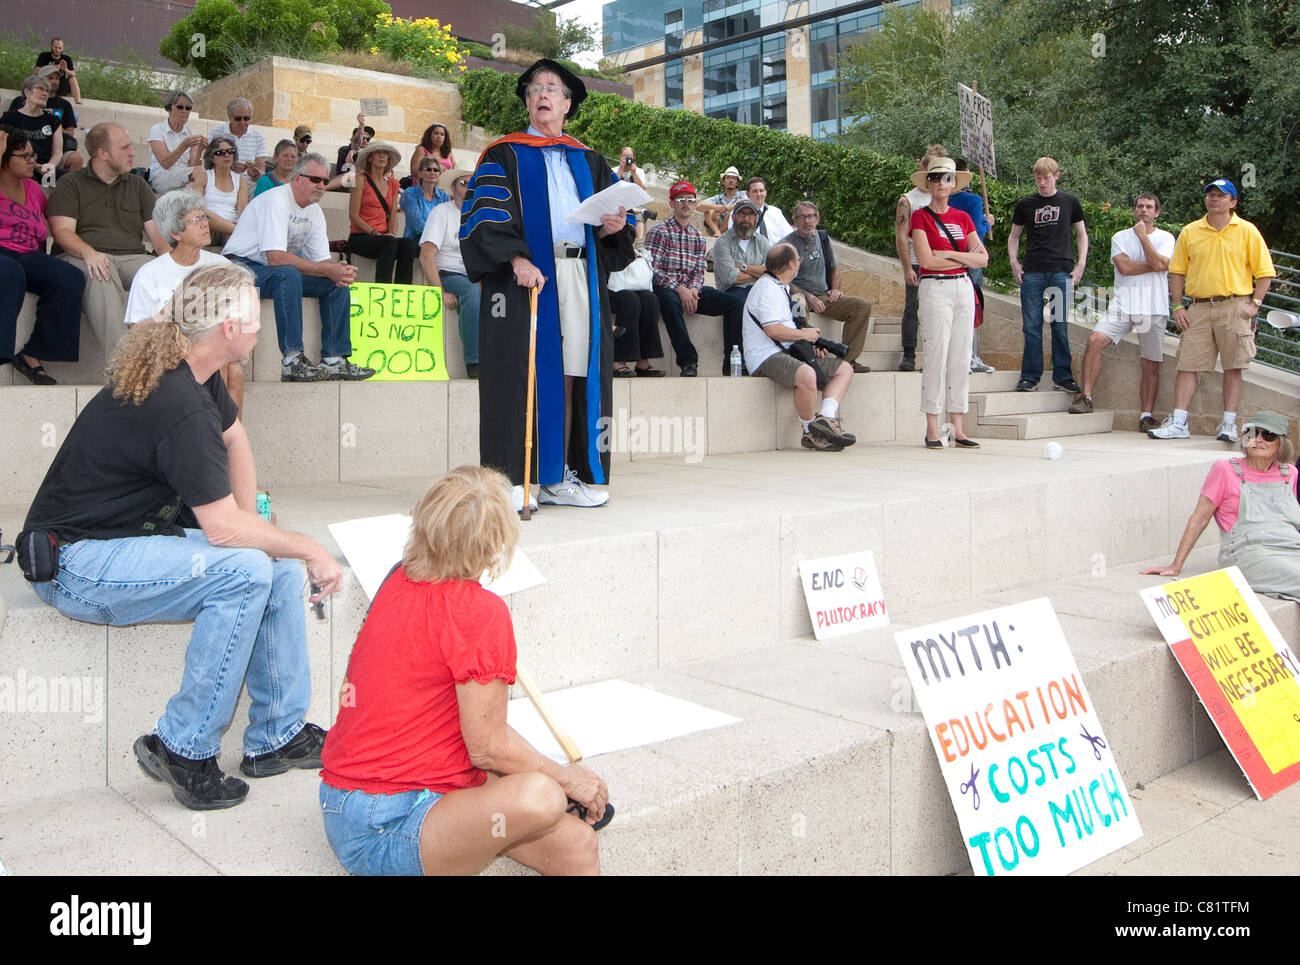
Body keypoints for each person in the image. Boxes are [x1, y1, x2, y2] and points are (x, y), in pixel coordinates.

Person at [19, 265, 341, 810]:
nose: (261, 322)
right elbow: (220, 532)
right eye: (252, 311)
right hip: (78, 564)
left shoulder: (198, 371)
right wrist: (308, 545)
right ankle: (183, 747)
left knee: (275, 565)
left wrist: (255, 522)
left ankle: (275, 738)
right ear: (229, 329)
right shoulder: (179, 404)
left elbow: (235, 437)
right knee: (247, 568)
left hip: (126, 546)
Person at [319, 466, 608, 876]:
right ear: (495, 545)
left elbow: (484, 734)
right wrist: (568, 779)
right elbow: (488, 747)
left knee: (577, 846)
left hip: (372, 797)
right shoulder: (478, 611)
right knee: (541, 797)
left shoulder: (397, 579)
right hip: (382, 821)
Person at [459, 59, 635, 512]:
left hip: (580, 274)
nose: (542, 94)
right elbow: (484, 216)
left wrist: (615, 226)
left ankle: (557, 475)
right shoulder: (503, 155)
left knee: (575, 371)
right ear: (527, 101)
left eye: (552, 88)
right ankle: (511, 480)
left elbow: (616, 227)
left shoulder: (589, 160)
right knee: (520, 374)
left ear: (567, 103)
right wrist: (515, 257)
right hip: (528, 279)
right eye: (535, 88)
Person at [222, 153, 373, 382]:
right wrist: (327, 269)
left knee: (336, 282)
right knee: (288, 274)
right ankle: (292, 360)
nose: (321, 186)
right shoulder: (276, 200)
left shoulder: (314, 211)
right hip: (240, 268)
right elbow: (275, 257)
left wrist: (337, 270)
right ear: (296, 179)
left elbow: (322, 262)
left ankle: (334, 360)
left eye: (325, 181)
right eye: (315, 179)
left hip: (272, 270)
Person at [1148, 179, 1276, 442]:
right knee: (1187, 365)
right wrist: (1177, 305)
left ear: (1233, 202)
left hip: (1235, 305)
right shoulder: (1191, 231)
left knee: (1233, 366)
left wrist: (1255, 304)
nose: (1214, 199)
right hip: (1199, 307)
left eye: (1221, 195)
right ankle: (1180, 422)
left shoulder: (1247, 231)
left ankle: (1228, 424)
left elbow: (1265, 272)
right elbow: (1177, 271)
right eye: (1210, 195)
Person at [1142, 412, 1300, 601]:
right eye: (1252, 433)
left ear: (1281, 443)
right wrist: (1176, 565)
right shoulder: (1225, 469)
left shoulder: (1289, 472)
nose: (1257, 440)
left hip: (1291, 547)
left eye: (1268, 435)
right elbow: (1199, 519)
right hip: (1249, 552)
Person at [48, 123, 170, 359]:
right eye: (124, 148)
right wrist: (88, 252)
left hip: (132, 256)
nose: (132, 153)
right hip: (81, 256)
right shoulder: (71, 183)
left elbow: (157, 236)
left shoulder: (137, 184)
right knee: (101, 272)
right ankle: (122, 365)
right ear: (102, 153)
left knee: (165, 276)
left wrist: (172, 266)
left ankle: (173, 362)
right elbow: (62, 231)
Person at [121, 189, 239, 409]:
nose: (205, 223)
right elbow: (137, 331)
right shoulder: (150, 273)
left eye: (205, 217)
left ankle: (221, 440)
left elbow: (238, 317)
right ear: (176, 233)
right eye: (197, 219)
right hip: (168, 355)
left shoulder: (222, 266)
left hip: (210, 352)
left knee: (232, 371)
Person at [1069, 194, 1174, 428]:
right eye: (1139, 206)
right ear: (1133, 211)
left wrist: (1143, 238)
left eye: (1149, 207)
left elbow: (1160, 265)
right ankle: (1086, 398)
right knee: (1095, 340)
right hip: (1123, 304)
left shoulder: (1166, 237)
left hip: (1153, 306)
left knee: (1150, 363)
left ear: (1156, 213)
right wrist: (1154, 265)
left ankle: (1145, 416)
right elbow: (1125, 267)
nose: (1144, 211)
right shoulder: (1120, 237)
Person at [742, 243, 856, 451]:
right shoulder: (767, 288)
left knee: (844, 369)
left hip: (787, 349)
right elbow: (772, 330)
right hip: (764, 356)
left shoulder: (780, 286)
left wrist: (808, 343)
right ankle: (810, 432)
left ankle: (826, 420)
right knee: (806, 374)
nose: (799, 264)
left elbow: (785, 329)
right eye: (798, 260)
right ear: (790, 264)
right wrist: (804, 334)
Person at [909, 157, 988, 449]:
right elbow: (926, 260)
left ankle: (958, 426)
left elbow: (982, 258)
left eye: (948, 178)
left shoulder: (963, 217)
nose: (942, 183)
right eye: (937, 177)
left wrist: (950, 254)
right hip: (936, 287)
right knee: (936, 355)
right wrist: (957, 256)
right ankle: (932, 427)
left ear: (954, 183)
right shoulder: (920, 216)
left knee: (960, 355)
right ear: (928, 182)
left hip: (962, 287)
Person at [0, 129, 83, 385]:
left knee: (69, 277)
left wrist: (46, 265)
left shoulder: (34, 189)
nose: (32, 161)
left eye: (33, 155)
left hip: (25, 255)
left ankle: (33, 353)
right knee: (11, 274)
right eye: (24, 156)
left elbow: (39, 237)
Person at [645, 180, 745, 376]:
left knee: (735, 302)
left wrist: (693, 290)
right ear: (671, 204)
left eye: (689, 200)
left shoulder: (698, 236)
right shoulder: (659, 231)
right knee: (669, 301)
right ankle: (688, 361)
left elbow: (699, 271)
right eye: (680, 199)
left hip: (692, 291)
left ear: (695, 204)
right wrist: (680, 289)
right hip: (666, 289)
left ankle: (731, 362)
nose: (685, 204)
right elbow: (652, 269)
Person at [1007, 157, 1088, 393]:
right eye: (1038, 178)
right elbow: (1014, 236)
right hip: (1032, 271)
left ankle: (1062, 375)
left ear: (1056, 176)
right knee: (1031, 326)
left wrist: (1081, 264)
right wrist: (1014, 262)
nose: (1042, 182)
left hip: (1061, 271)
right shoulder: (1025, 204)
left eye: (1046, 177)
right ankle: (1030, 376)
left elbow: (1082, 235)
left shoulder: (1070, 201)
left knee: (1059, 325)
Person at [783, 200, 873, 374]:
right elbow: (784, 280)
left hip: (824, 295)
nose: (807, 221)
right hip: (801, 294)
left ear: (817, 218)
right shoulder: (787, 245)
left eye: (811, 216)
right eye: (802, 217)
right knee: (797, 305)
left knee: (862, 306)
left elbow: (834, 268)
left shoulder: (823, 238)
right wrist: (809, 296)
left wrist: (836, 288)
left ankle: (848, 360)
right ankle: (807, 357)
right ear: (794, 221)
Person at [419, 167, 478, 377]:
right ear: (453, 189)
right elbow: (426, 255)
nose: (470, 186)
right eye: (464, 183)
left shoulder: (481, 216)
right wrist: (440, 291)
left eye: (474, 182)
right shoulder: (441, 212)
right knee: (473, 292)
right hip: (450, 273)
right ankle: (475, 363)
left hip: (477, 273)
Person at [948, 158, 995, 373]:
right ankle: (970, 355)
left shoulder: (941, 200)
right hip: (970, 259)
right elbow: (975, 233)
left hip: (948, 261)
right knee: (970, 309)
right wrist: (988, 223)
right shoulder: (973, 201)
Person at [347, 140, 414, 286]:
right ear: (370, 157)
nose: (382, 156)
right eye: (378, 152)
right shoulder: (359, 179)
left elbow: (393, 215)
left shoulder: (393, 183)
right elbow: (353, 215)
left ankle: (402, 291)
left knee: (408, 244)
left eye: (385, 153)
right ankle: (383, 288)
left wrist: (390, 233)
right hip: (361, 237)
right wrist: (375, 233)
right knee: (388, 242)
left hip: (383, 239)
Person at [0, 75, 63, 180]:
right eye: (40, 88)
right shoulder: (9, 118)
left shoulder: (53, 120)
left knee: (71, 180)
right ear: (27, 92)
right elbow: (7, 151)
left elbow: (57, 152)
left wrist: (50, 166)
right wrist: (35, 166)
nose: (45, 93)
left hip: (46, 169)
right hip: (21, 168)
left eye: (47, 91)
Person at [190, 135, 248, 245]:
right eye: (220, 153)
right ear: (212, 158)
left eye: (230, 151)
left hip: (230, 222)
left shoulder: (240, 180)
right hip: (208, 222)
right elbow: (195, 205)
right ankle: (236, 231)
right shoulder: (204, 177)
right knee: (203, 213)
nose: (226, 155)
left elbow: (243, 210)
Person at [710, 197, 769, 299]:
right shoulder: (723, 242)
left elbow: (770, 272)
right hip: (732, 293)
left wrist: (742, 267)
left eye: (750, 214)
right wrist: (759, 273)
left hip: (759, 290)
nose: (746, 218)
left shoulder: (762, 242)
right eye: (742, 213)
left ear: (756, 218)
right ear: (733, 217)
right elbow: (731, 277)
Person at [147, 90, 205, 193]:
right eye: (180, 107)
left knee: (196, 182)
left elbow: (193, 166)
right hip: (162, 176)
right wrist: (184, 145)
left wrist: (199, 150)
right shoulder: (157, 130)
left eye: (188, 108)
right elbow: (165, 163)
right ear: (169, 108)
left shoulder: (192, 133)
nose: (184, 111)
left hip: (185, 176)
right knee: (199, 174)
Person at [208, 98, 268, 182]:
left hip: (248, 183)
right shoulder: (216, 133)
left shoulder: (259, 137)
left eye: (246, 118)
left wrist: (255, 174)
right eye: (238, 119)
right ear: (230, 117)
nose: (242, 122)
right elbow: (208, 165)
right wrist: (229, 167)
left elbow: (261, 171)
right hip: (220, 181)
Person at [399, 156, 449, 242]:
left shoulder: (444, 197)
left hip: (438, 241)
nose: (432, 172)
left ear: (439, 174)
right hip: (414, 241)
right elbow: (417, 225)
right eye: (428, 169)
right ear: (420, 173)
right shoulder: (410, 193)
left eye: (436, 170)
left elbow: (446, 223)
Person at [698, 165, 743, 238]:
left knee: (733, 212)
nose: (731, 180)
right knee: (709, 211)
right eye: (728, 177)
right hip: (719, 227)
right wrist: (716, 207)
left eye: (733, 178)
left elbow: (744, 202)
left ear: (737, 183)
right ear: (723, 182)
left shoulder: (742, 194)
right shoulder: (718, 198)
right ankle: (717, 233)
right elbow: (699, 206)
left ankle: (720, 236)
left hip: (736, 228)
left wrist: (727, 208)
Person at [35, 37, 81, 104]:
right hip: (46, 85)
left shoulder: (67, 59)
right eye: (55, 47)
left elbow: (73, 74)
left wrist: (66, 70)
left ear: (63, 48)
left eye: (59, 48)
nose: (57, 50)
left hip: (60, 85)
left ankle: (78, 101)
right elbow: (36, 71)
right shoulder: (43, 56)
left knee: (73, 78)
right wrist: (51, 67)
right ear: (51, 47)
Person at [746, 176, 792, 241]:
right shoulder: (740, 215)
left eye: (761, 191)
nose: (759, 194)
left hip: (776, 250)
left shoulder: (776, 212)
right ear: (747, 194)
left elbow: (789, 235)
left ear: (766, 192)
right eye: (754, 191)